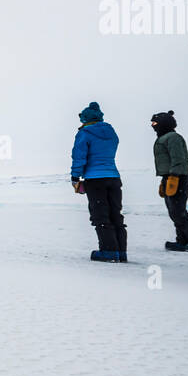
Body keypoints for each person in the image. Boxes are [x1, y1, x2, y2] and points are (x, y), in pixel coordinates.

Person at [71, 101, 126, 262]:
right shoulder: (110, 131)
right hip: (114, 177)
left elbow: (79, 156)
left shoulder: (85, 133)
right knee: (116, 214)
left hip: (95, 180)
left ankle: (109, 252)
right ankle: (121, 252)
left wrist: (75, 177)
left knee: (101, 215)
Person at [150, 110, 188, 253]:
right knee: (174, 212)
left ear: (163, 124)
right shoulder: (164, 137)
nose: (152, 126)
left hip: (178, 178)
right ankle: (183, 241)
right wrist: (165, 179)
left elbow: (178, 158)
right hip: (169, 177)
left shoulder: (173, 137)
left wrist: (174, 176)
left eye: (155, 123)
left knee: (179, 212)